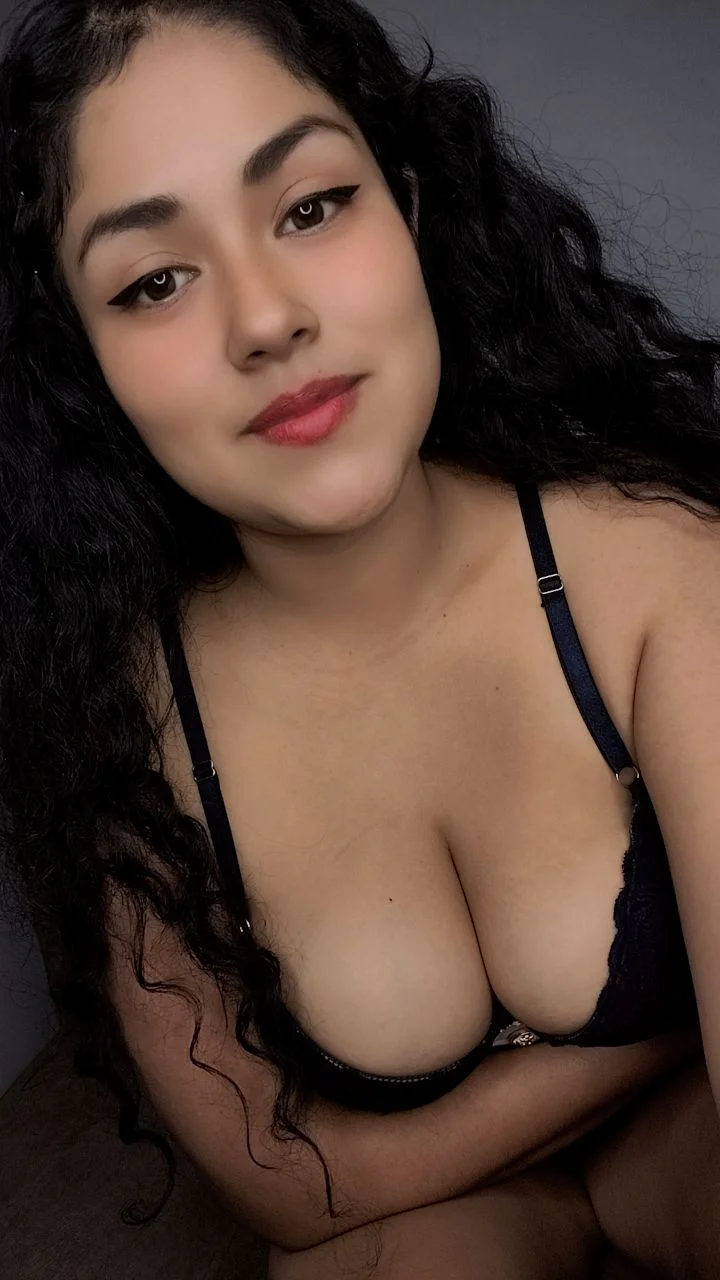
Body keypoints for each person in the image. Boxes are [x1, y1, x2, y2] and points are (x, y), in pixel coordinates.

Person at [1, 0, 719, 1275]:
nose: (266, 319)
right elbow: (291, 1182)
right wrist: (642, 1051)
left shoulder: (655, 564)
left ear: (410, 206)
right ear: (82, 359)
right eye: (155, 281)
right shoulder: (125, 725)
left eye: (312, 207)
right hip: (418, 1220)